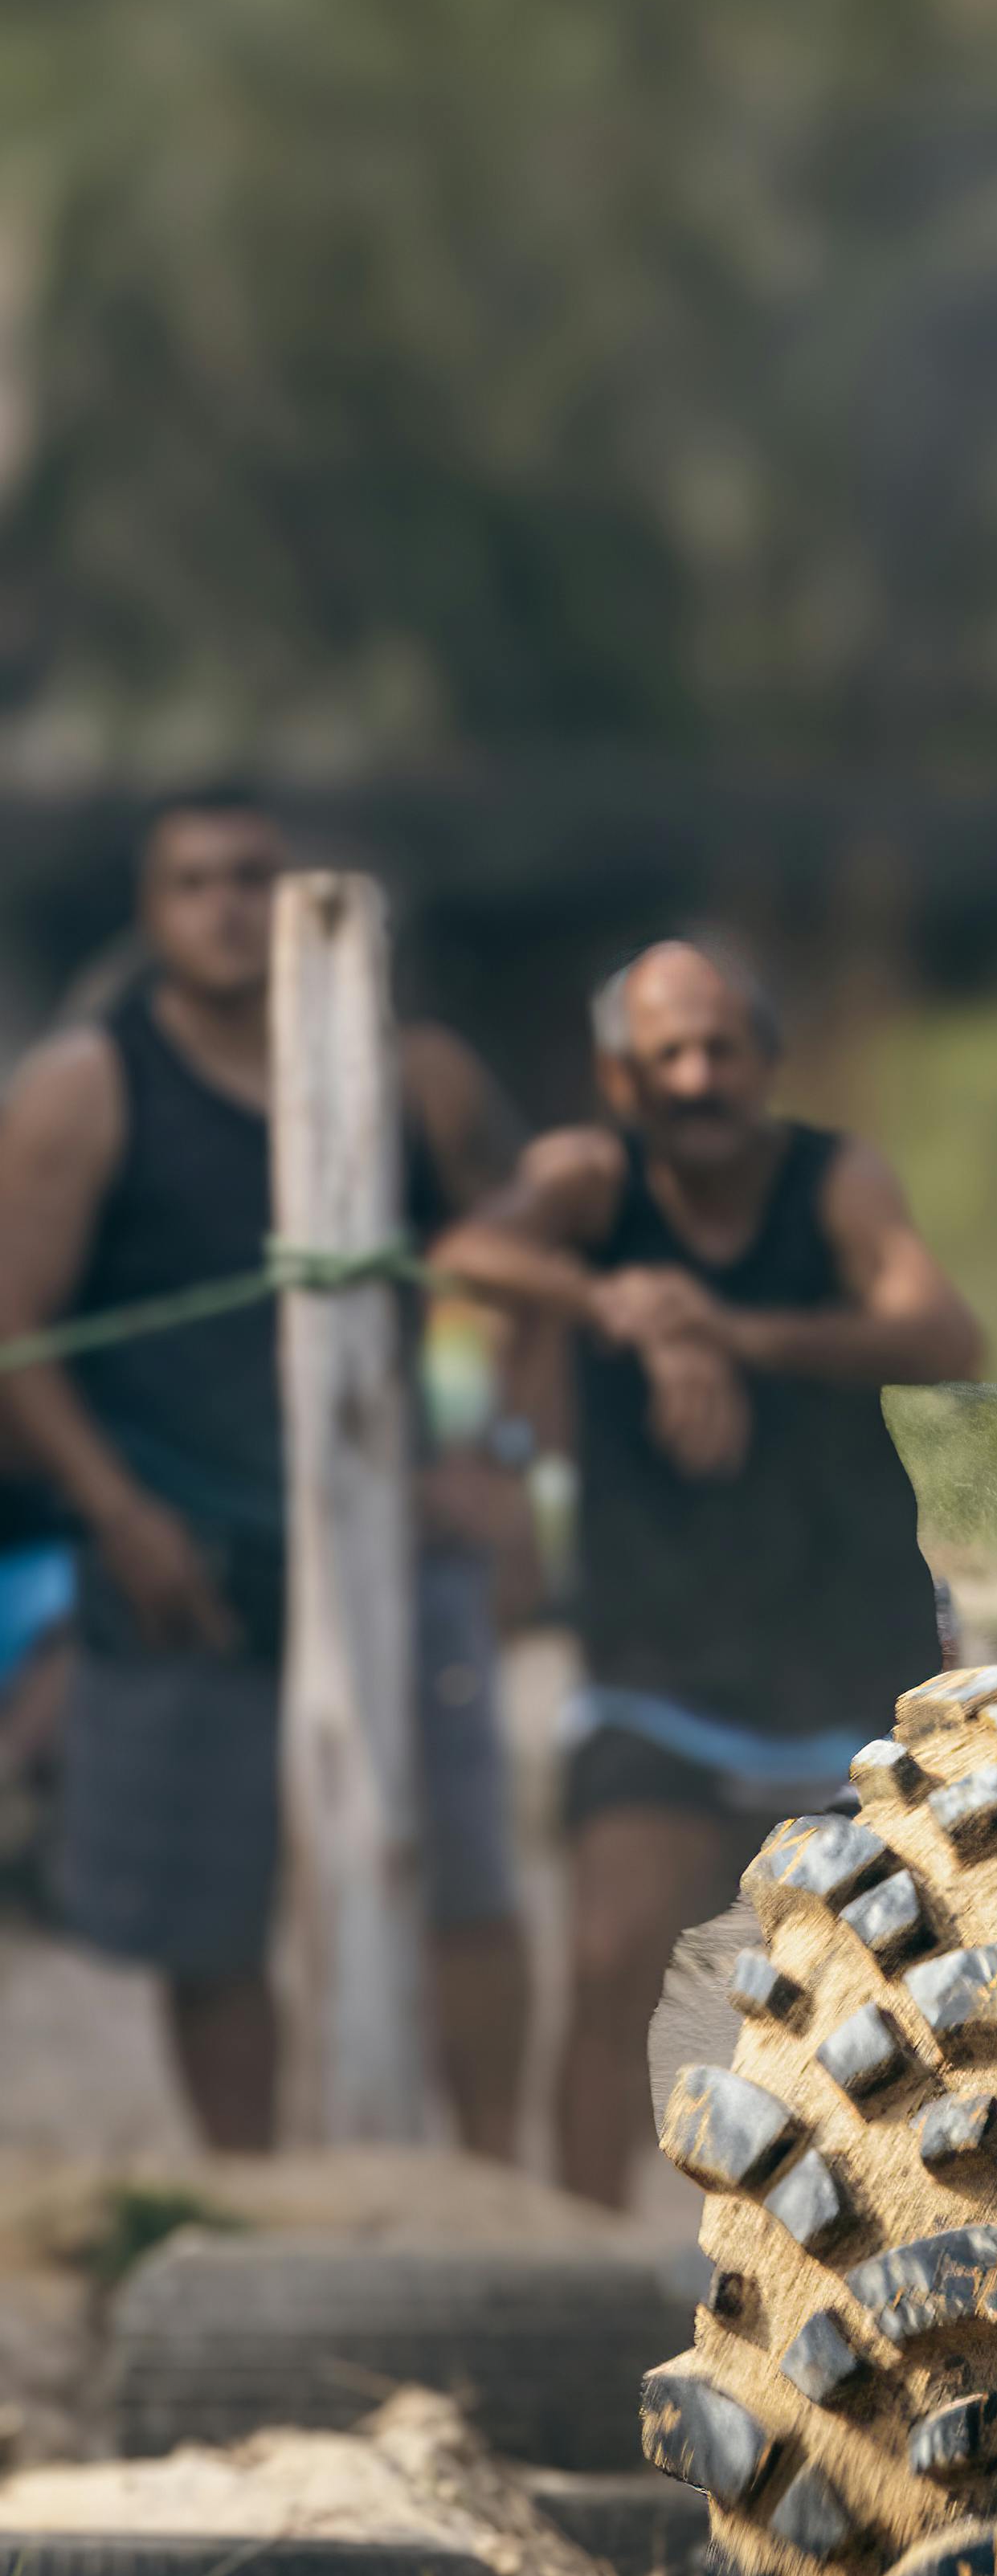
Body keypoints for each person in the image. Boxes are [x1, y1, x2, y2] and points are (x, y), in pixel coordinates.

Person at [0, 796, 533, 2153]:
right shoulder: (86, 1089)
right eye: (194, 882)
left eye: (254, 876)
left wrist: (489, 1450)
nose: (228, 907)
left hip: (399, 1541)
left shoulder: (418, 1077)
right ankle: (259, 2191)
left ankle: (494, 2186)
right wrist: (117, 1513)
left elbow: (520, 1269)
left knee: (467, 1883)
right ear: (151, 911)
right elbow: (16, 1330)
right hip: (183, 1556)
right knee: (205, 1922)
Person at [433, 939, 983, 2205]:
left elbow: (940, 1331)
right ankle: (579, 2246)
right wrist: (617, 1305)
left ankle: (881, 2245)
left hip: (845, 1656)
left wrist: (724, 1331)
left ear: (767, 1062)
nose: (696, 1077)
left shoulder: (835, 1181)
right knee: (611, 1957)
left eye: (720, 1049)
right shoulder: (587, 1183)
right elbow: (471, 1256)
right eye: (667, 1054)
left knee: (877, 2007)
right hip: (659, 1666)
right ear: (619, 1078)